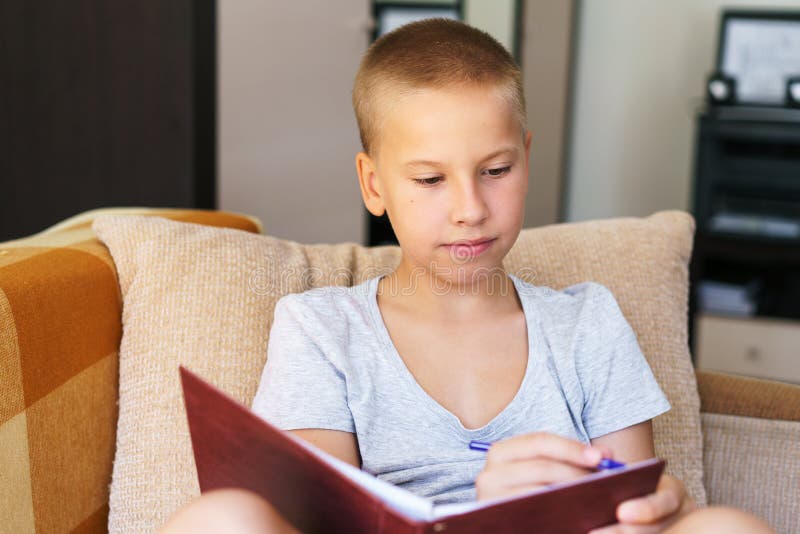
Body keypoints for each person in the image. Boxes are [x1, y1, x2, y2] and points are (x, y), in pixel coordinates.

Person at [160, 18, 774, 534]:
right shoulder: (323, 329)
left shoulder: (587, 324)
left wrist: (657, 508)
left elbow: (628, 508)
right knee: (221, 517)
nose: (470, 209)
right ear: (374, 185)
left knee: (726, 527)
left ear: (526, 160)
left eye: (496, 170)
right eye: (431, 179)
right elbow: (318, 519)